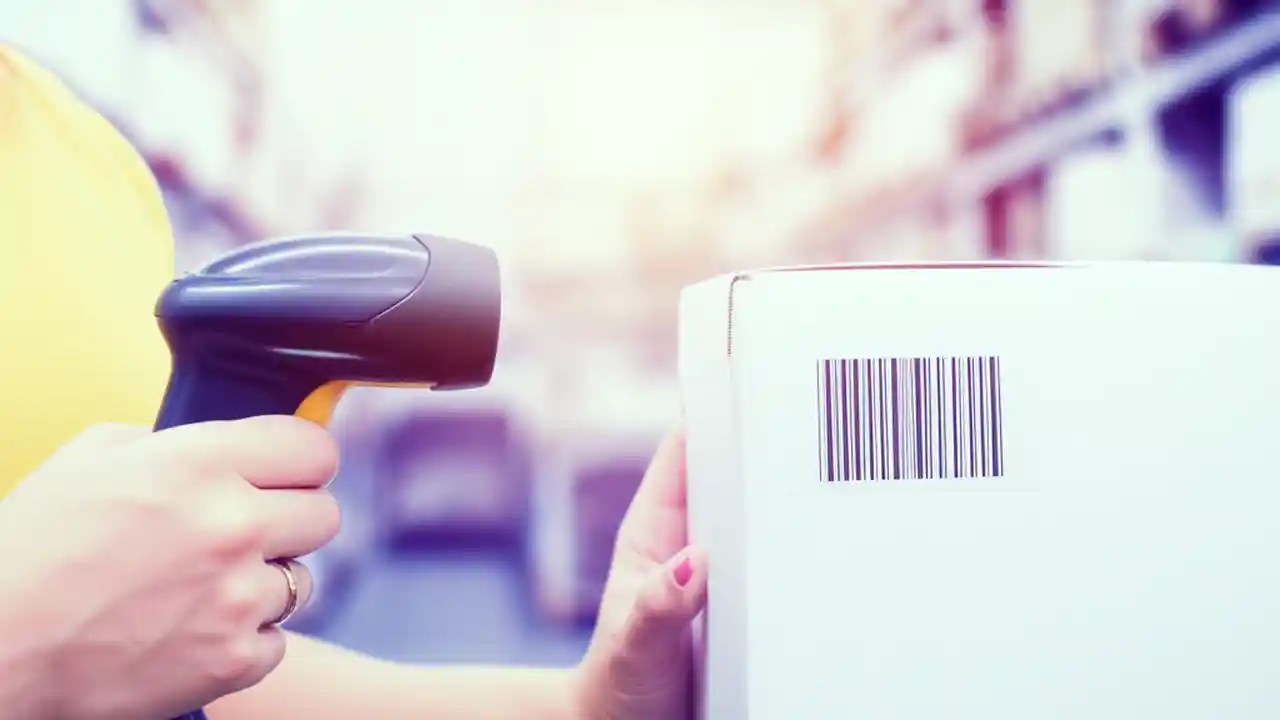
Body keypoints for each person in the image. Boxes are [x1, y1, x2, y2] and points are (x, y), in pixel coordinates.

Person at [0, 44, 707, 719]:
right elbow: (64, 645)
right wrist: (22, 637)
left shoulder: (91, 161)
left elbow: (159, 673)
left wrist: (588, 708)